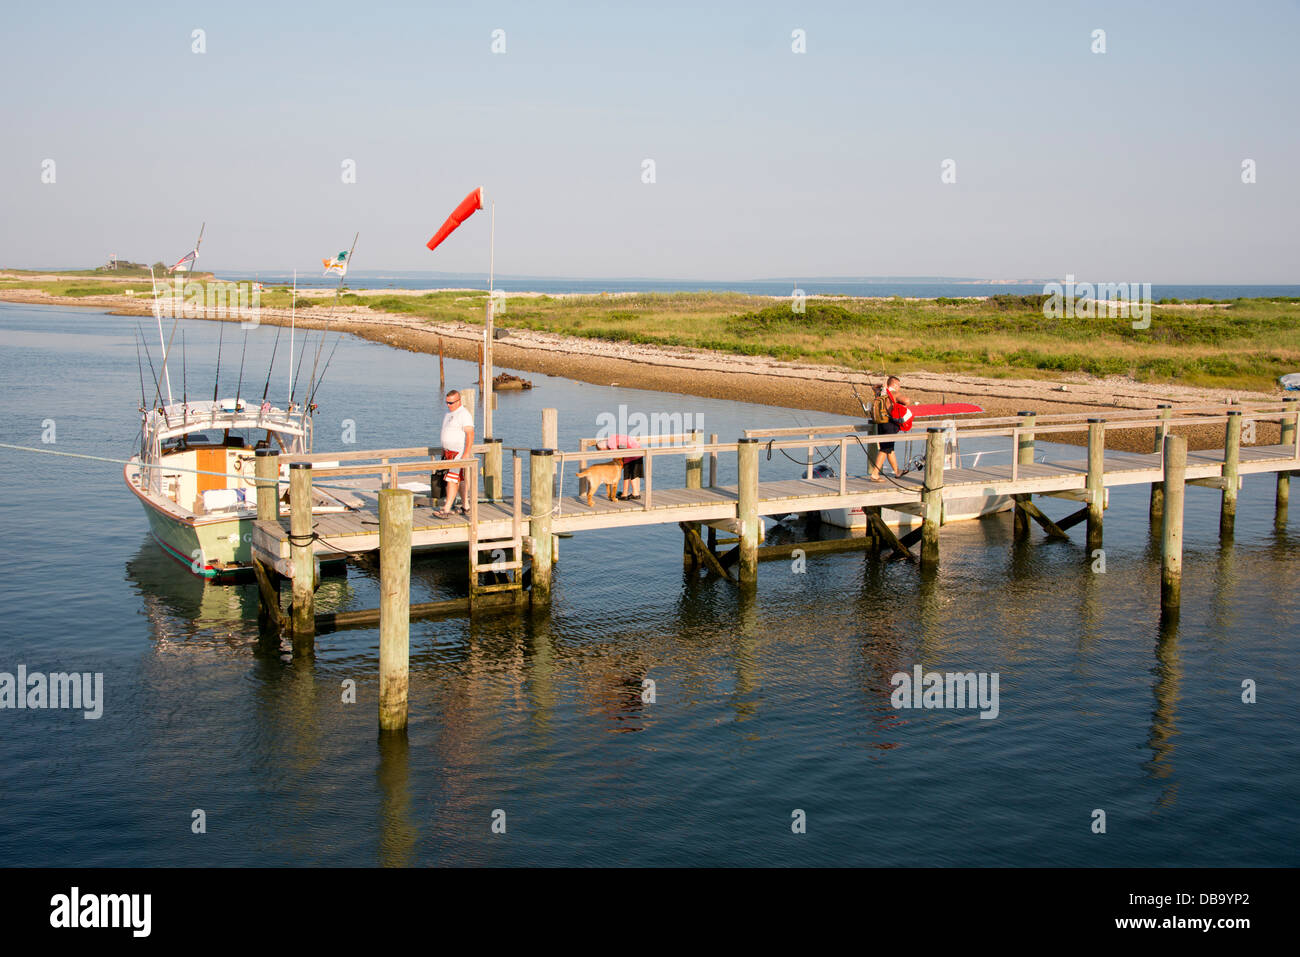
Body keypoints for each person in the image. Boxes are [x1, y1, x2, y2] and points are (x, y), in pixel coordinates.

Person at [435, 389, 475, 516]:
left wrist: (466, 453)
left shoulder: (464, 414)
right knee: (459, 479)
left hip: (457, 452)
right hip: (447, 452)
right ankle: (465, 506)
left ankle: (446, 508)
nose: (448, 405)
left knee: (451, 480)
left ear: (459, 401)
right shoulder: (448, 414)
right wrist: (443, 450)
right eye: (447, 402)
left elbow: (470, 434)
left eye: (451, 403)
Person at [869, 376, 910, 482]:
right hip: (890, 424)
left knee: (889, 448)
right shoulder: (894, 394)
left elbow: (874, 387)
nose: (899, 388)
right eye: (898, 385)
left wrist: (882, 386)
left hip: (881, 423)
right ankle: (875, 474)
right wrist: (900, 404)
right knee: (885, 449)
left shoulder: (880, 393)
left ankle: (897, 471)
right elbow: (907, 401)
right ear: (895, 385)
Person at [597, 433, 643, 499]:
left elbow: (615, 454)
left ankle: (626, 494)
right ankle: (634, 493)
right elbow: (623, 445)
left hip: (632, 453)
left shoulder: (611, 443)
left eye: (604, 450)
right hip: (637, 450)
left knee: (628, 475)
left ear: (603, 448)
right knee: (633, 474)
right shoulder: (613, 437)